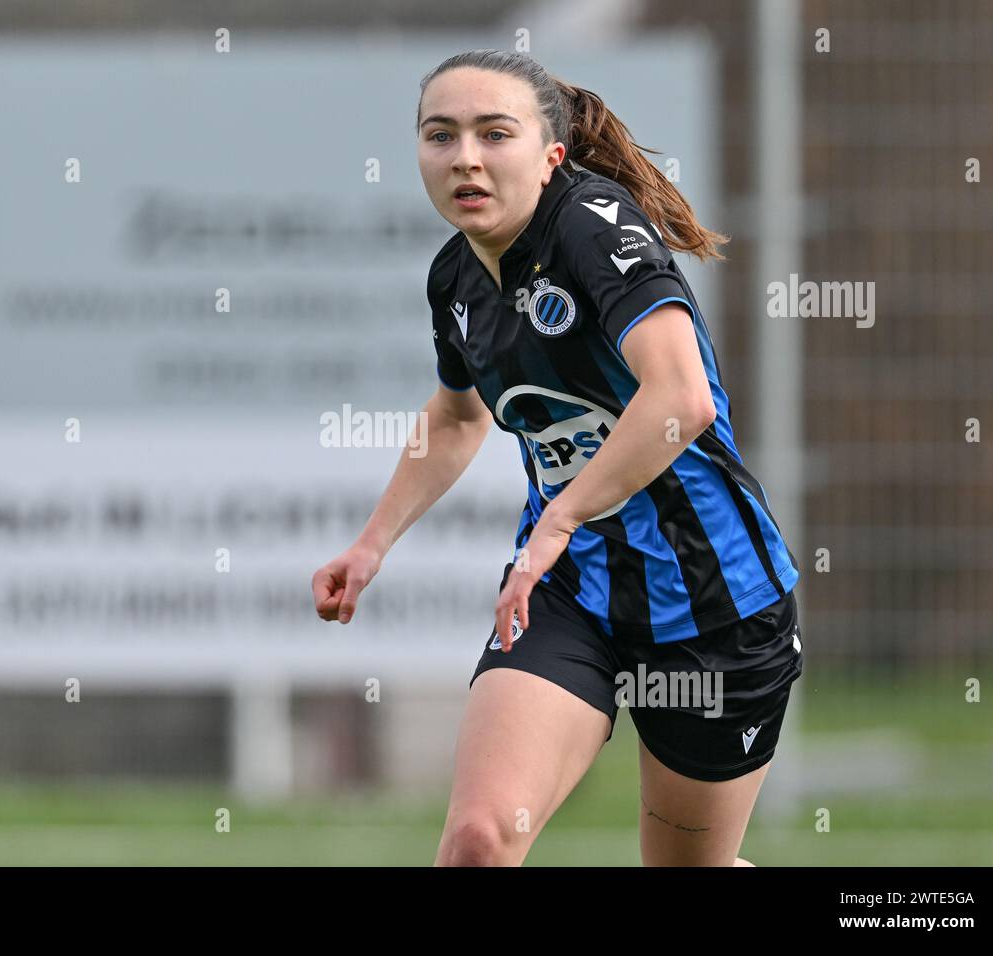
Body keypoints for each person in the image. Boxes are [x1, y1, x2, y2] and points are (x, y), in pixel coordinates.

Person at [311, 50, 803, 866]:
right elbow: (460, 417)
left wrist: (562, 517)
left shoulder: (591, 225)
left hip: (715, 603)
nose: (465, 156)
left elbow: (681, 400)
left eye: (493, 133)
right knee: (477, 841)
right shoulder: (454, 278)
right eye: (441, 135)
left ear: (551, 156)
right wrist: (372, 543)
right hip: (570, 593)